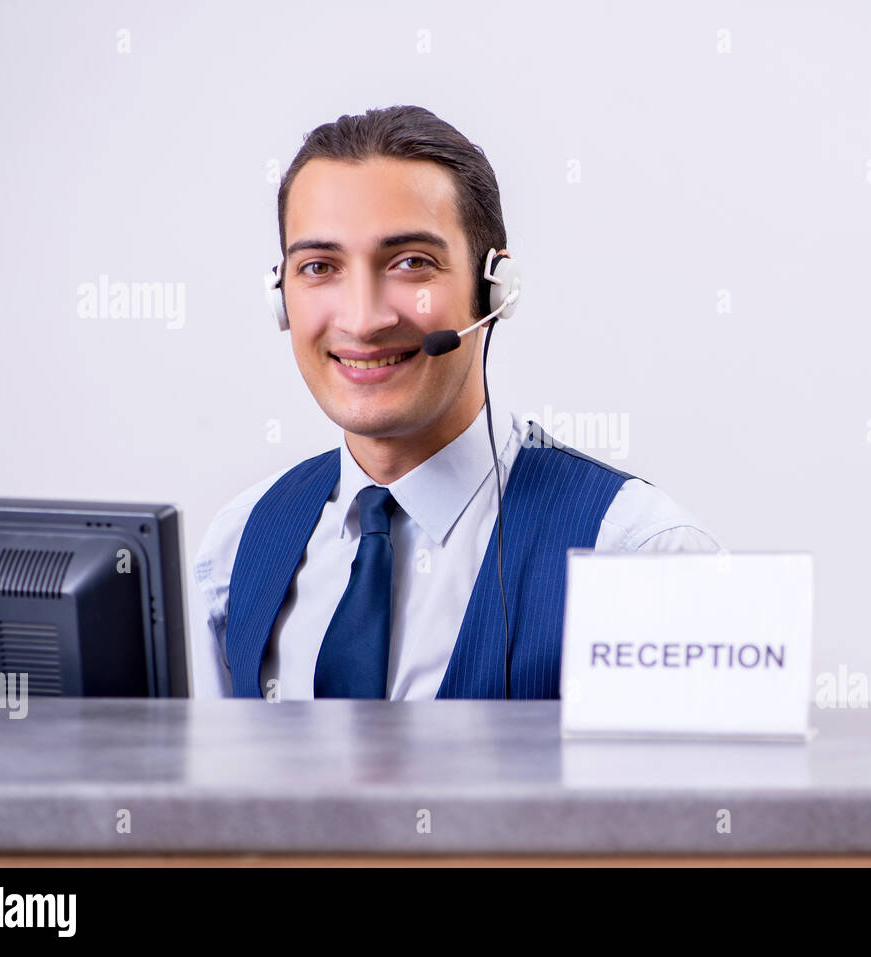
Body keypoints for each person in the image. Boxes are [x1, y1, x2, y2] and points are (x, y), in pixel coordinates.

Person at [189, 105, 719, 701]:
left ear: (494, 291)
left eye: (411, 263)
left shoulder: (640, 559)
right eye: (319, 267)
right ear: (281, 299)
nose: (363, 320)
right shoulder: (237, 549)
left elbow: (693, 797)